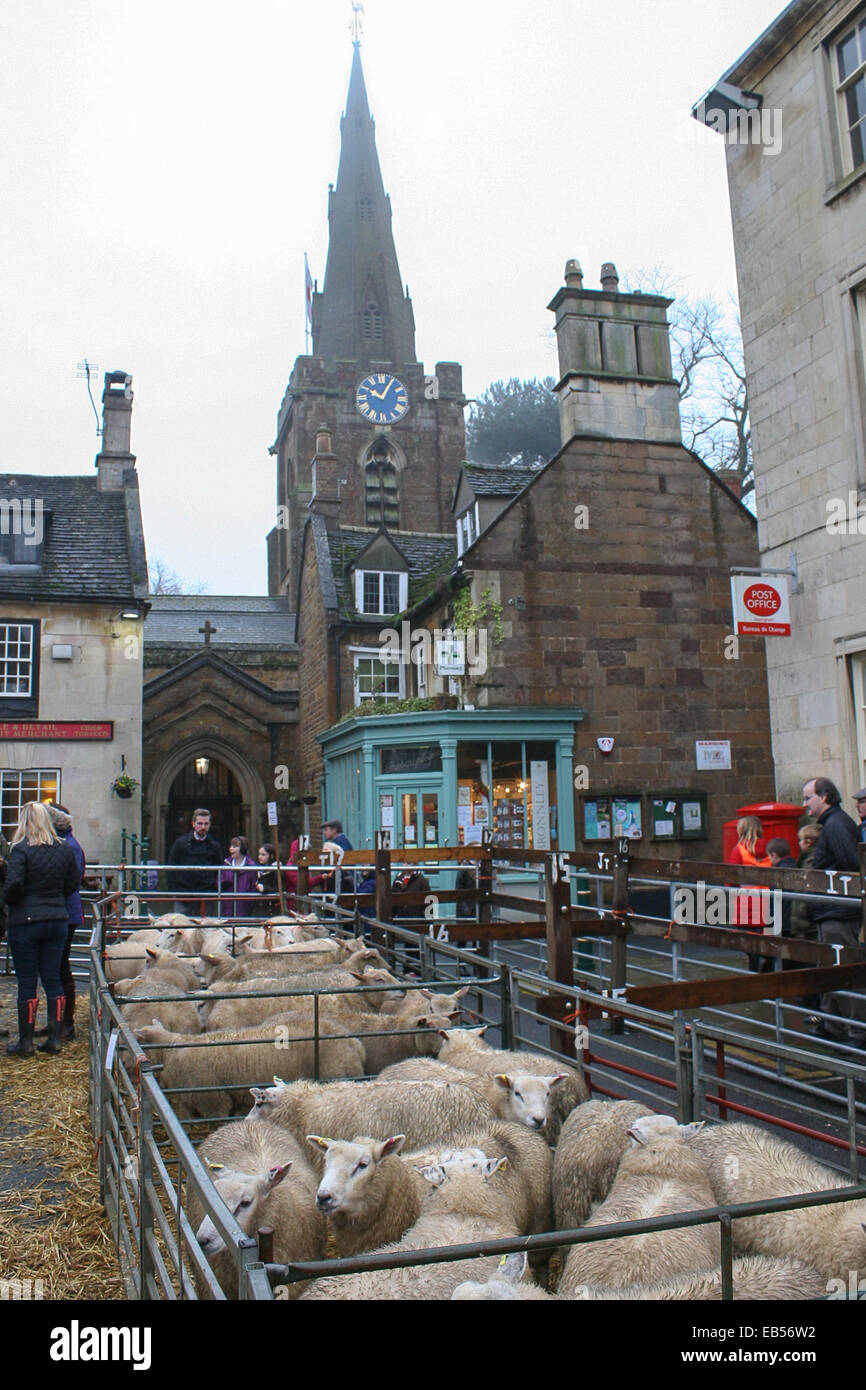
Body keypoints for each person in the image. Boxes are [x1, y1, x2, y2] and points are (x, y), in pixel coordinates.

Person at [1, 801, 79, 1056]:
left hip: (25, 922)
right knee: (53, 978)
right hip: (57, 919)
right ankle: (55, 1039)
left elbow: (13, 886)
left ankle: (25, 1042)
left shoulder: (21, 850)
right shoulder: (65, 849)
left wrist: (11, 901)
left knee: (26, 981)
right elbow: (72, 883)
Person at [802, 777, 865, 1045]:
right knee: (830, 972)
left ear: (825, 797)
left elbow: (852, 864)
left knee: (846, 973)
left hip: (839, 913)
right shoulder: (833, 824)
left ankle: (857, 1033)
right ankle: (832, 1027)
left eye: (808, 798)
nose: (804, 804)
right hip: (830, 912)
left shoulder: (836, 825)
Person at [40, 803, 86, 1041]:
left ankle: (66, 1023)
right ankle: (56, 1021)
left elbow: (73, 879)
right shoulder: (63, 843)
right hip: (60, 910)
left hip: (65, 912)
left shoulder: (69, 846)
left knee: (61, 967)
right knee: (53, 968)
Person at [726, 815, 772, 971]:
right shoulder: (770, 849)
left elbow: (731, 881)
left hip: (746, 908)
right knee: (768, 947)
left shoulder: (739, 850)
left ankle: (755, 976)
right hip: (769, 905)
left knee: (750, 948)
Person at [167, 809, 223, 915]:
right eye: (200, 823)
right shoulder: (180, 843)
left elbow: (219, 870)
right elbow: (171, 867)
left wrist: (212, 889)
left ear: (210, 824)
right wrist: (173, 890)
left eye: (206, 824)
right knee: (180, 928)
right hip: (183, 894)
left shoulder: (215, 846)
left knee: (205, 929)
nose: (203, 827)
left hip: (206, 895)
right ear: (193, 824)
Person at [219, 835, 257, 917]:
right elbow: (219, 881)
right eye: (231, 846)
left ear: (243, 848)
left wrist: (249, 903)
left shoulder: (251, 866)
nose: (231, 848)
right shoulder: (226, 864)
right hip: (227, 907)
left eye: (234, 846)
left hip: (244, 907)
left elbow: (253, 887)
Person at [252, 844, 280, 917]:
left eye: (263, 855)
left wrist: (264, 888)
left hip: (271, 906)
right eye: (259, 854)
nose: (260, 857)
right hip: (259, 904)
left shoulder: (276, 871)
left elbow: (278, 888)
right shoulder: (258, 869)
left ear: (271, 856)